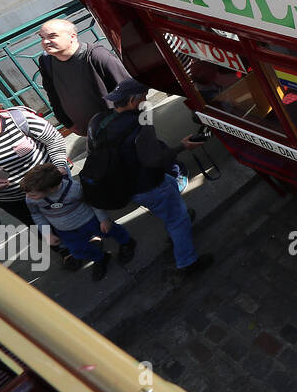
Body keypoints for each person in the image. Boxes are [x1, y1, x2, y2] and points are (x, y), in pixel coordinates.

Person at [89, 79, 212, 277]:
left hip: (127, 187)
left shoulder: (96, 122)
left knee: (169, 207)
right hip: (150, 184)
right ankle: (187, 262)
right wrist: (182, 147)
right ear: (133, 100)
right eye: (144, 97)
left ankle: (177, 221)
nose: (146, 100)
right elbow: (154, 159)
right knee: (176, 219)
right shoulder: (141, 124)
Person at [22, 164, 135, 282]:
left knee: (112, 231)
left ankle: (127, 242)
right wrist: (47, 234)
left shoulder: (75, 189)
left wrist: (103, 219)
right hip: (64, 231)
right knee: (77, 251)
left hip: (90, 221)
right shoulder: (31, 199)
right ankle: (101, 258)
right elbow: (36, 214)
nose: (28, 196)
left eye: (33, 194)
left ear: (50, 189)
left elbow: (93, 203)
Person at [37, 19, 132, 137]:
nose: (45, 42)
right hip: (90, 133)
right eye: (42, 37)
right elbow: (53, 95)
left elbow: (130, 90)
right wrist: (68, 123)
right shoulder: (46, 62)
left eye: (52, 36)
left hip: (122, 129)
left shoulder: (96, 56)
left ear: (72, 36)